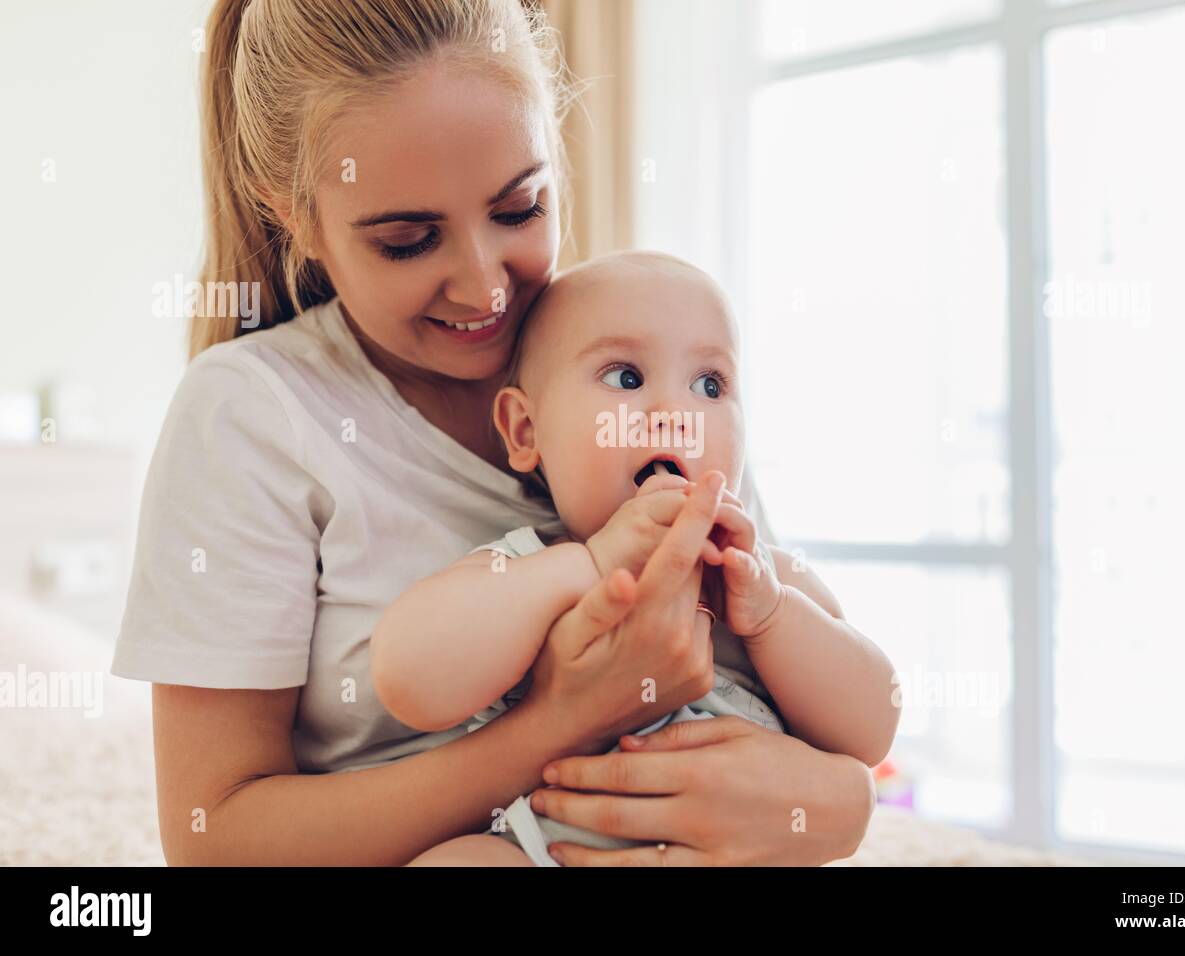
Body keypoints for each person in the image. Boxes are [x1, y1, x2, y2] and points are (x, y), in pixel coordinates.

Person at [110, 0, 878, 866]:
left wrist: (839, 804)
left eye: (519, 208)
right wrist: (563, 721)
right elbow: (218, 843)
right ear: (291, 212)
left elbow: (828, 701)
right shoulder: (253, 417)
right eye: (407, 240)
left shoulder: (646, 361)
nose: (483, 289)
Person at [370, 251, 901, 865]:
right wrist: (592, 566)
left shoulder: (768, 578)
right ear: (525, 431)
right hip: (553, 851)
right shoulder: (525, 569)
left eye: (710, 385)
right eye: (625, 377)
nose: (675, 417)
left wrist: (772, 617)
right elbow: (409, 680)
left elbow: (872, 727)